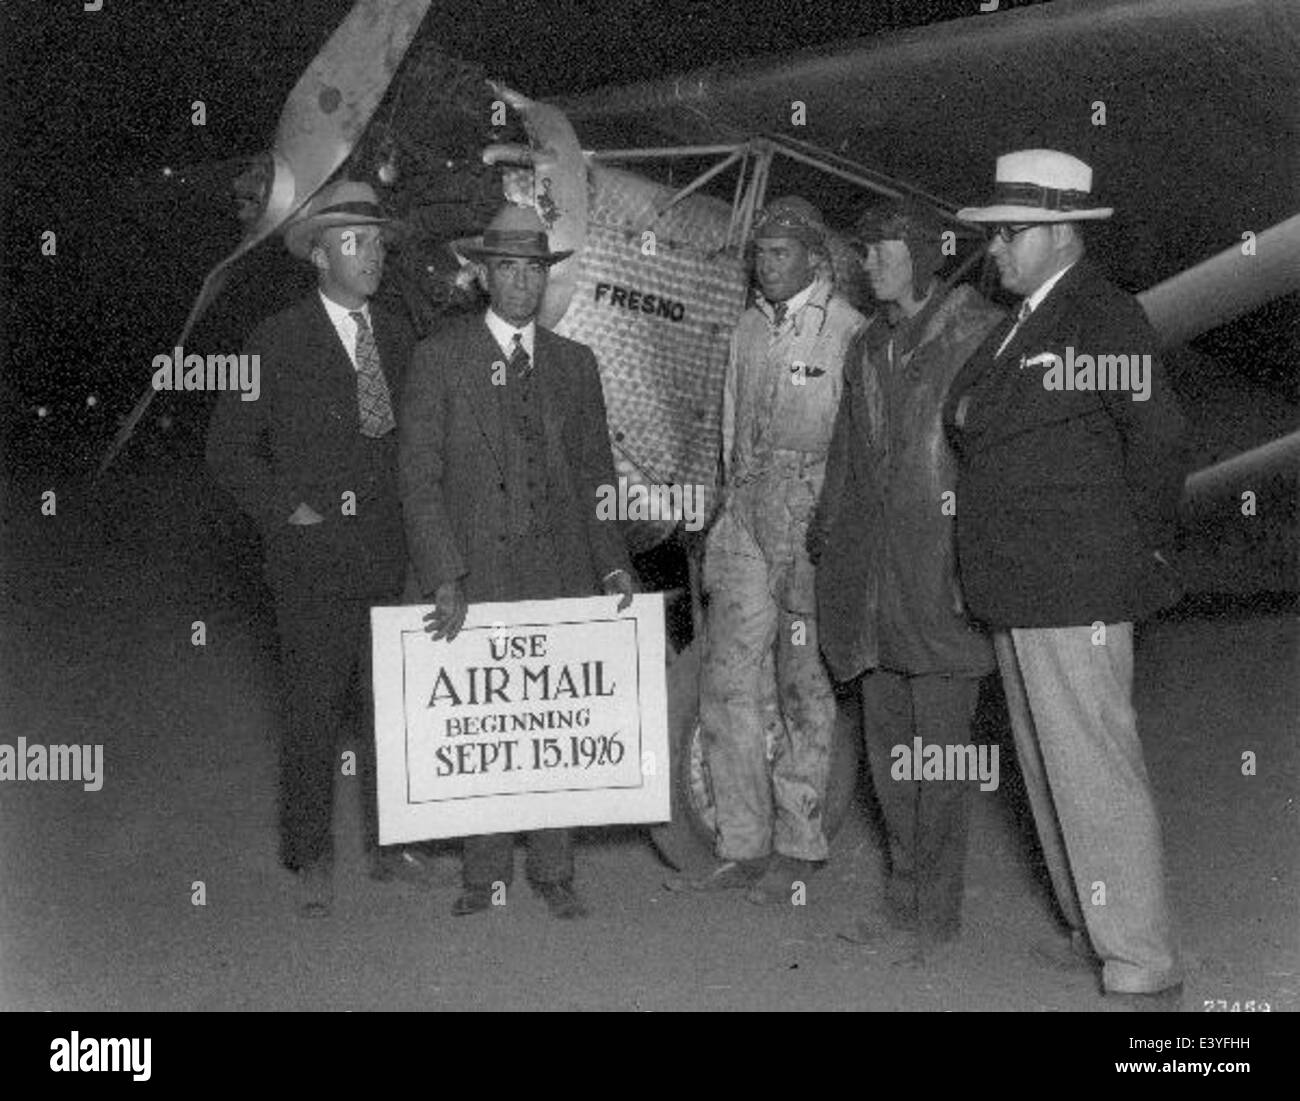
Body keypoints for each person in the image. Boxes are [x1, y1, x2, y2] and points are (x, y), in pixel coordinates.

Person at [943, 149, 1188, 1007]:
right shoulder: (1019, 321)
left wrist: (1134, 554)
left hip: (1077, 588)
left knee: (1092, 769)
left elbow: (1158, 443)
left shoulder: (1102, 317)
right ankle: (1097, 929)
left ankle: (1142, 959)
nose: (995, 249)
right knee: (1049, 770)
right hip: (1019, 585)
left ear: (1063, 233)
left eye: (1010, 233)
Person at [400, 203, 635, 921]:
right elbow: (418, 474)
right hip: (476, 573)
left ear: (545, 277)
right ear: (482, 274)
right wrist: (444, 572)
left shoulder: (575, 364)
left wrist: (614, 565)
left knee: (550, 723)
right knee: (485, 727)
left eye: (533, 269)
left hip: (557, 568)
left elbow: (598, 476)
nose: (521, 283)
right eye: (507, 268)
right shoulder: (439, 358)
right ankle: (484, 873)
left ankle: (555, 868)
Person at [207, 179, 433, 918]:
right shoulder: (274, 340)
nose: (372, 256)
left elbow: (419, 448)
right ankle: (309, 853)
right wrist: (287, 512)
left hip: (389, 554)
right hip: (311, 565)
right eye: (355, 242)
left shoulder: (398, 334)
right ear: (319, 255)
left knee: (390, 710)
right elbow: (229, 449)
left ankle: (392, 844)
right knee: (311, 711)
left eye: (376, 243)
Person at [811, 201, 1004, 959]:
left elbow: (995, 465)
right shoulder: (867, 346)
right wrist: (830, 538)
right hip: (875, 589)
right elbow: (846, 461)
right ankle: (902, 900)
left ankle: (936, 915)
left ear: (924, 256)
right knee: (892, 755)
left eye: (884, 248)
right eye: (864, 249)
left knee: (941, 758)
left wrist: (979, 565)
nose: (870, 262)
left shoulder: (977, 335)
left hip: (942, 584)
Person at [670, 197, 867, 904]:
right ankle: (742, 840)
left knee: (802, 682)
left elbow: (858, 446)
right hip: (747, 512)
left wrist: (835, 526)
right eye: (760, 252)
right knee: (727, 677)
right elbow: (729, 430)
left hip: (812, 516)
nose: (765, 263)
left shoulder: (849, 333)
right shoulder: (748, 330)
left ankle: (801, 840)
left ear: (815, 258)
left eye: (780, 252)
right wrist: (722, 510)